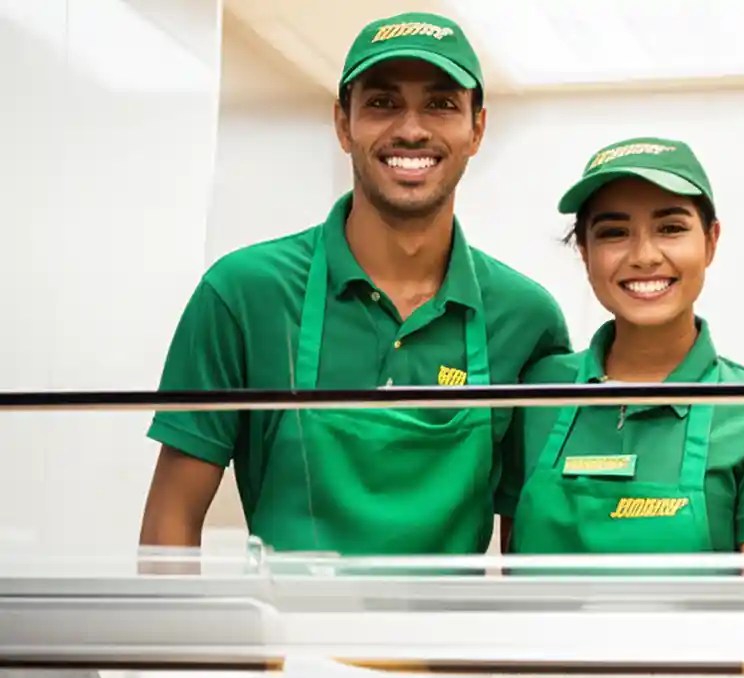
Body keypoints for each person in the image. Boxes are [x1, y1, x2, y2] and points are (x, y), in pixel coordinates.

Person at [139, 12, 570, 555]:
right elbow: (170, 523)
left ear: (477, 128)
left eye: (440, 103)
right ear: (343, 125)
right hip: (288, 638)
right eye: (382, 103)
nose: (411, 129)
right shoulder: (244, 294)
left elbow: (525, 545)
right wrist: (186, 641)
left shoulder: (526, 319)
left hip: (449, 639)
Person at [498, 137, 744, 556]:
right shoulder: (534, 394)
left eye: (670, 228)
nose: (644, 256)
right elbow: (511, 581)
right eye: (614, 233)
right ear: (584, 250)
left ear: (711, 242)